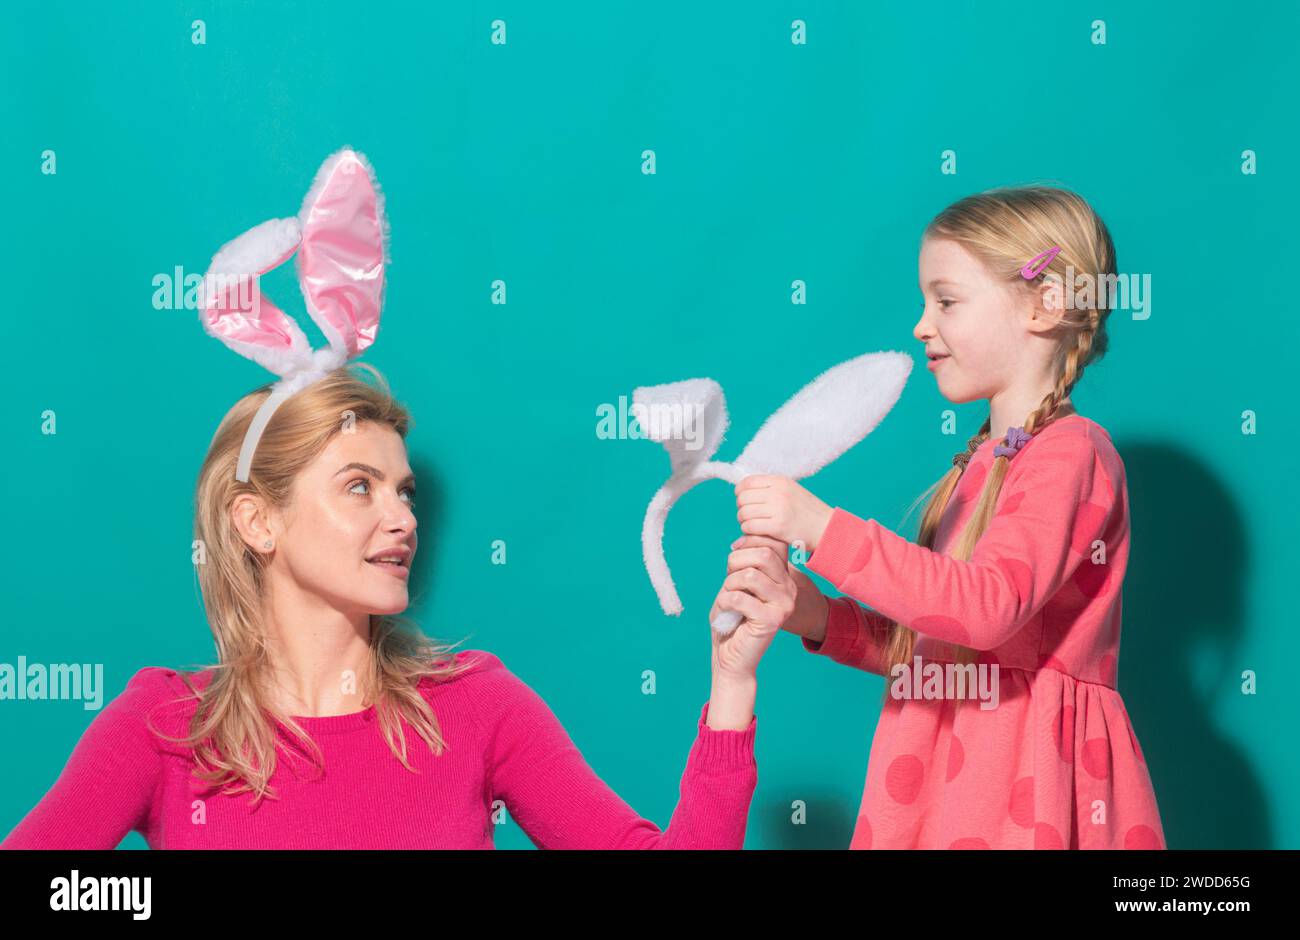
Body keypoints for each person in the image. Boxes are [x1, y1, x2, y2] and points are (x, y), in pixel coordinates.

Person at [1, 366, 789, 849]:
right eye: (359, 487)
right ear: (258, 521)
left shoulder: (476, 705)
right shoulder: (165, 724)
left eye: (404, 491)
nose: (403, 518)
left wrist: (733, 685)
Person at [724, 185, 1166, 849]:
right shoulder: (982, 464)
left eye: (947, 301)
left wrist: (821, 527)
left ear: (1046, 303)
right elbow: (935, 651)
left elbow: (986, 608)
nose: (920, 325)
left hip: (1020, 789)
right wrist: (813, 614)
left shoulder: (1073, 454)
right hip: (943, 789)